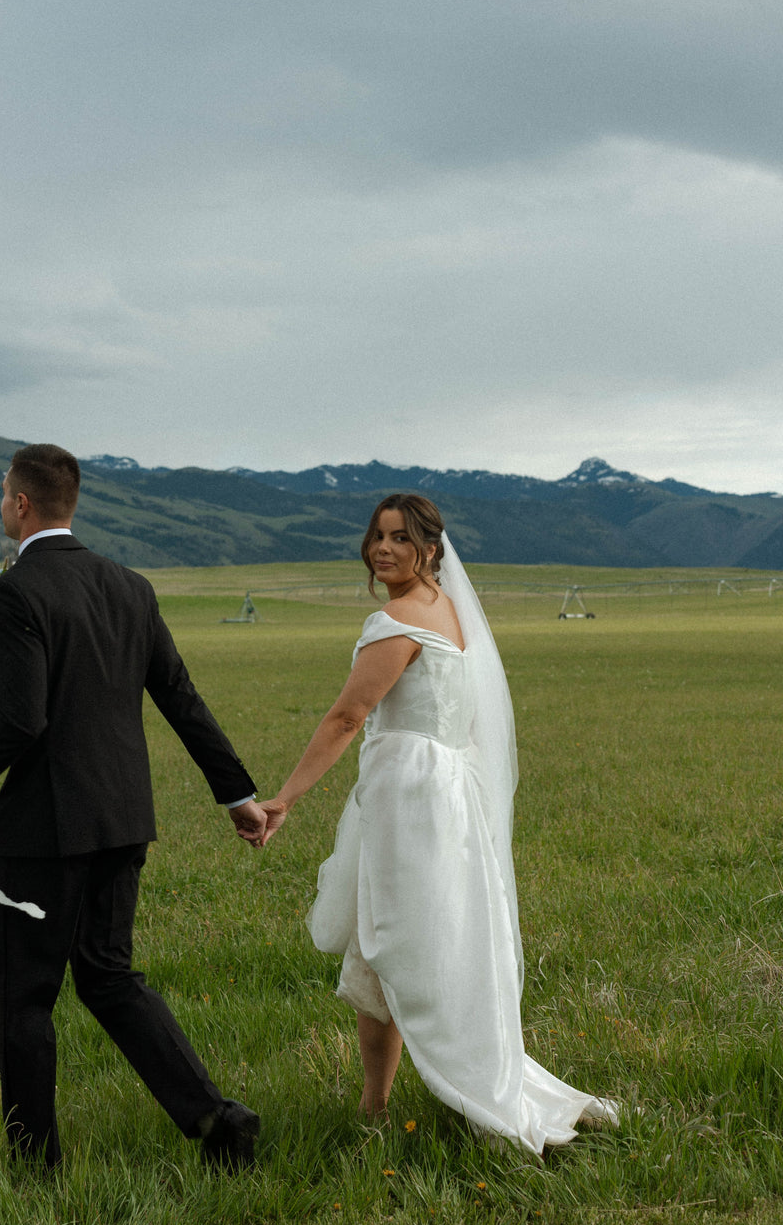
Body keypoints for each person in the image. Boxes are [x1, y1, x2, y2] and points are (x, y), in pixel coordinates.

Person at [0, 443, 265, 1171]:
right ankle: (217, 1121)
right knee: (108, 977)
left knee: (25, 1000)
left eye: (4, 493)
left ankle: (37, 1170)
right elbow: (180, 697)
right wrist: (237, 794)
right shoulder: (129, 585)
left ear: (20, 504)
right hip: (123, 817)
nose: (2, 503)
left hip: (46, 830)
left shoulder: (13, 592)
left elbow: (24, 720)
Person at [256, 493, 618, 1155]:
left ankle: (407, 1098)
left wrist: (286, 797)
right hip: (449, 794)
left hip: (408, 800)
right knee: (428, 936)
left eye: (399, 538)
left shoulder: (395, 622)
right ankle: (374, 1105)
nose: (382, 548)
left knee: (394, 941)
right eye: (376, 537)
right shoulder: (451, 615)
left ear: (430, 548)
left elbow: (347, 717)